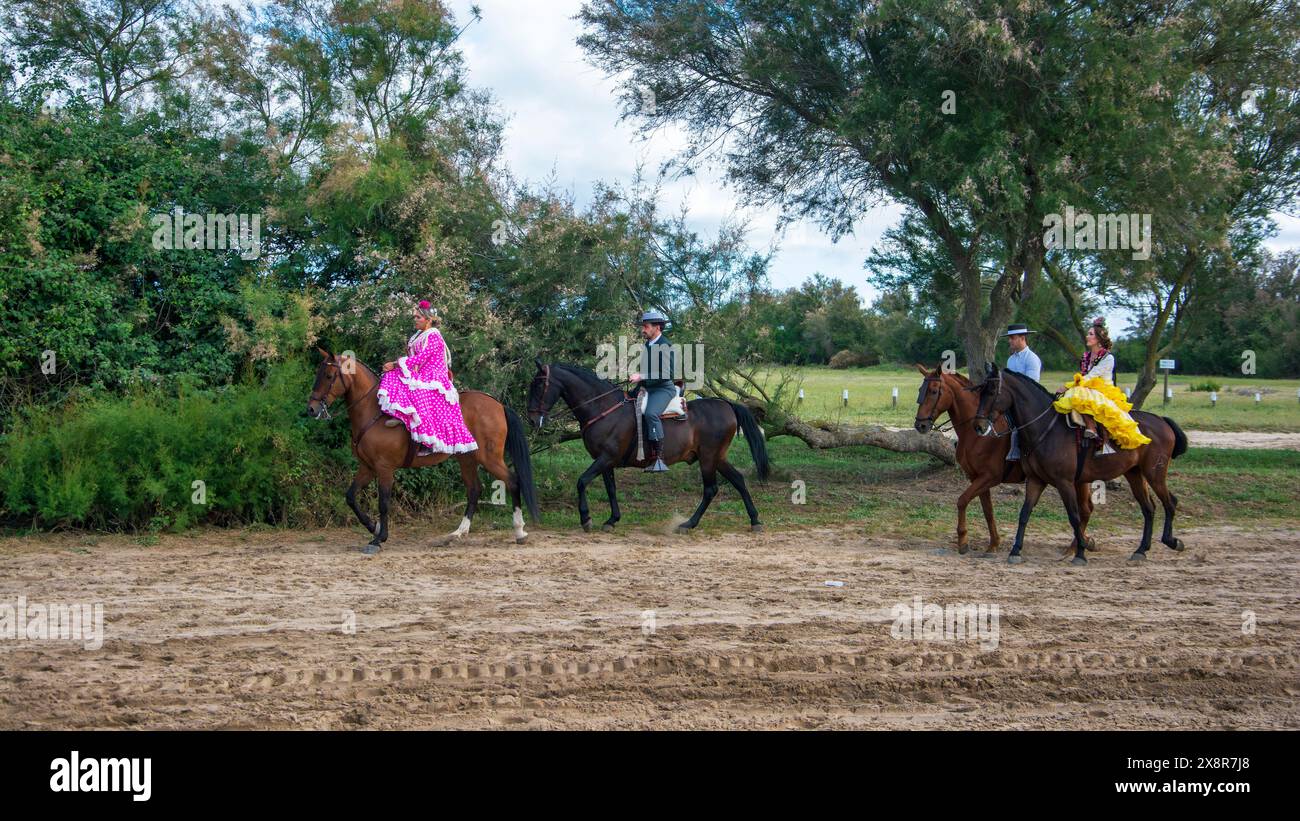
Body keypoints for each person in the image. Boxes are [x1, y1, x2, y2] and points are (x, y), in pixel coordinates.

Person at [377, 300, 478, 457]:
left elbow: (422, 357)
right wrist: (397, 367)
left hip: (434, 377)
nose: (415, 320)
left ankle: (429, 441)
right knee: (393, 377)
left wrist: (396, 364)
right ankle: (402, 416)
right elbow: (414, 358)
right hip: (421, 373)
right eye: (415, 317)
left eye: (418, 317)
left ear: (429, 320)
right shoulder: (418, 335)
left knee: (418, 393)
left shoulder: (434, 336)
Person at [1052, 317, 1151, 449]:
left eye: (1091, 334)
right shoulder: (1086, 356)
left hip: (1102, 389)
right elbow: (1084, 376)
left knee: (1080, 394)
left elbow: (1091, 376)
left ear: (1098, 339)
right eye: (1088, 334)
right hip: (1087, 386)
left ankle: (1095, 432)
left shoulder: (1108, 358)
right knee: (1073, 396)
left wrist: (1067, 386)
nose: (1087, 336)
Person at [628, 309, 675, 472]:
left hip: (663, 389)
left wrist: (641, 376)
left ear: (657, 327)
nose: (643, 330)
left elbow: (666, 374)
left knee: (650, 414)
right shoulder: (648, 344)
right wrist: (638, 384)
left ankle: (659, 458)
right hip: (647, 387)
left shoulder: (665, 345)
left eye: (646, 326)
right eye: (643, 326)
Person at [1001, 323, 1042, 461]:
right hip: (1012, 399)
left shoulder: (1032, 359)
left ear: (1022, 338)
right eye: (1010, 338)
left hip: (1027, 401)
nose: (1009, 341)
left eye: (1012, 338)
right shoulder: (1011, 360)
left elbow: (1031, 386)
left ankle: (1019, 451)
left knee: (1019, 422)